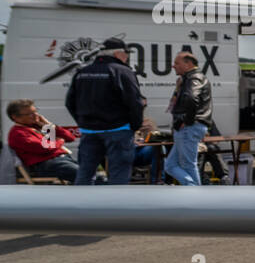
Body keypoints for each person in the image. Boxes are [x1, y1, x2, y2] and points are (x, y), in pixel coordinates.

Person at [65, 36, 144, 184]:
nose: (127, 57)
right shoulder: (123, 71)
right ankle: (115, 206)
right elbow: (135, 102)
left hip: (89, 131)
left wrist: (84, 122)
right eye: (126, 53)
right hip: (118, 130)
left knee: (85, 173)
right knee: (118, 175)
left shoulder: (82, 72)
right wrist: (135, 126)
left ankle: (79, 205)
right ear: (117, 54)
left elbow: (69, 102)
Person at [163, 51, 212, 186]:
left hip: (188, 127)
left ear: (188, 64)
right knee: (170, 165)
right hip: (188, 127)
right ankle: (193, 189)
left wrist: (187, 121)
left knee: (188, 165)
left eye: (177, 63)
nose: (173, 66)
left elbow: (191, 98)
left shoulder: (194, 78)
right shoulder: (189, 78)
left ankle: (195, 195)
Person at [5, 99, 80, 183]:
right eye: (30, 114)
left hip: (61, 160)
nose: (35, 115)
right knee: (87, 176)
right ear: (15, 117)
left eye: (35, 111)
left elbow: (70, 137)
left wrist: (48, 124)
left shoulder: (36, 126)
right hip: (47, 164)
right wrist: (60, 141)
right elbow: (45, 147)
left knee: (90, 174)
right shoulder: (18, 133)